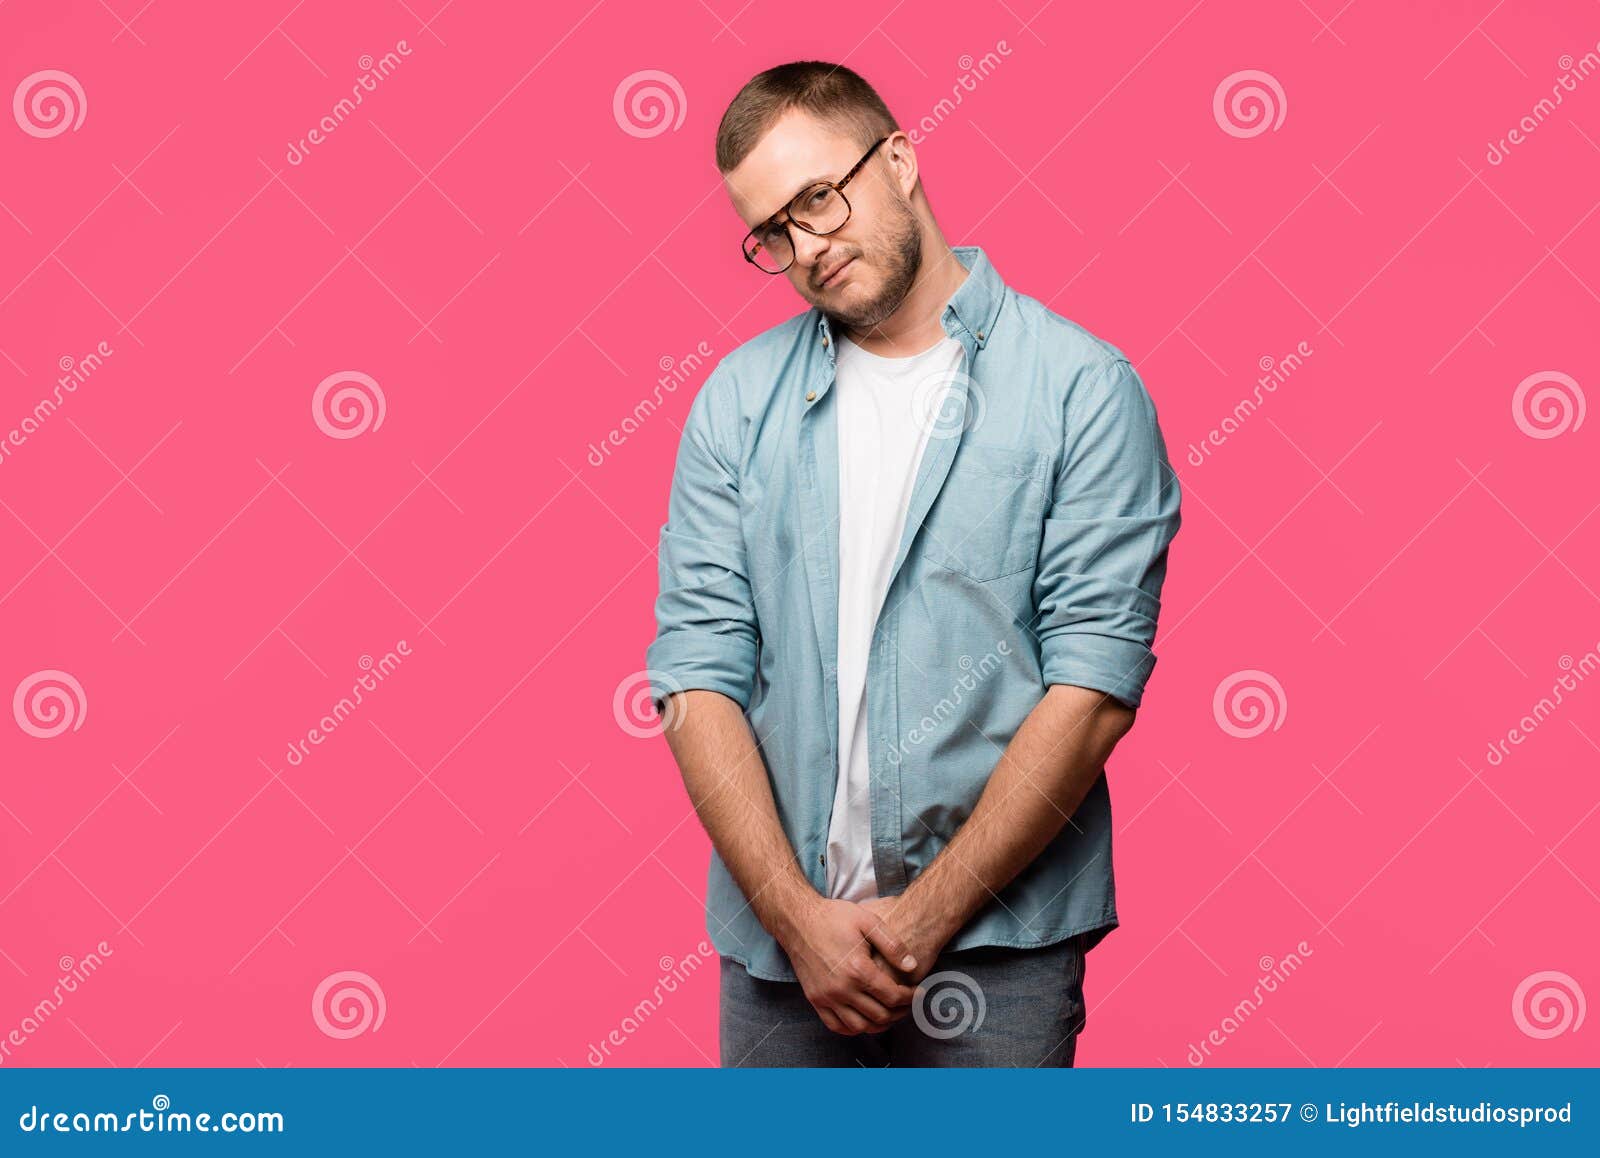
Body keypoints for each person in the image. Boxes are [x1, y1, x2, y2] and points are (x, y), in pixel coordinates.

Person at [645, 60, 1182, 1066]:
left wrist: (922, 920)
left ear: (896, 160)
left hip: (995, 961)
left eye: (817, 198)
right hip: (779, 963)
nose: (806, 247)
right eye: (773, 231)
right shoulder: (733, 401)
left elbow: (1094, 685)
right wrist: (798, 922)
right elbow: (692, 675)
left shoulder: (1081, 391)